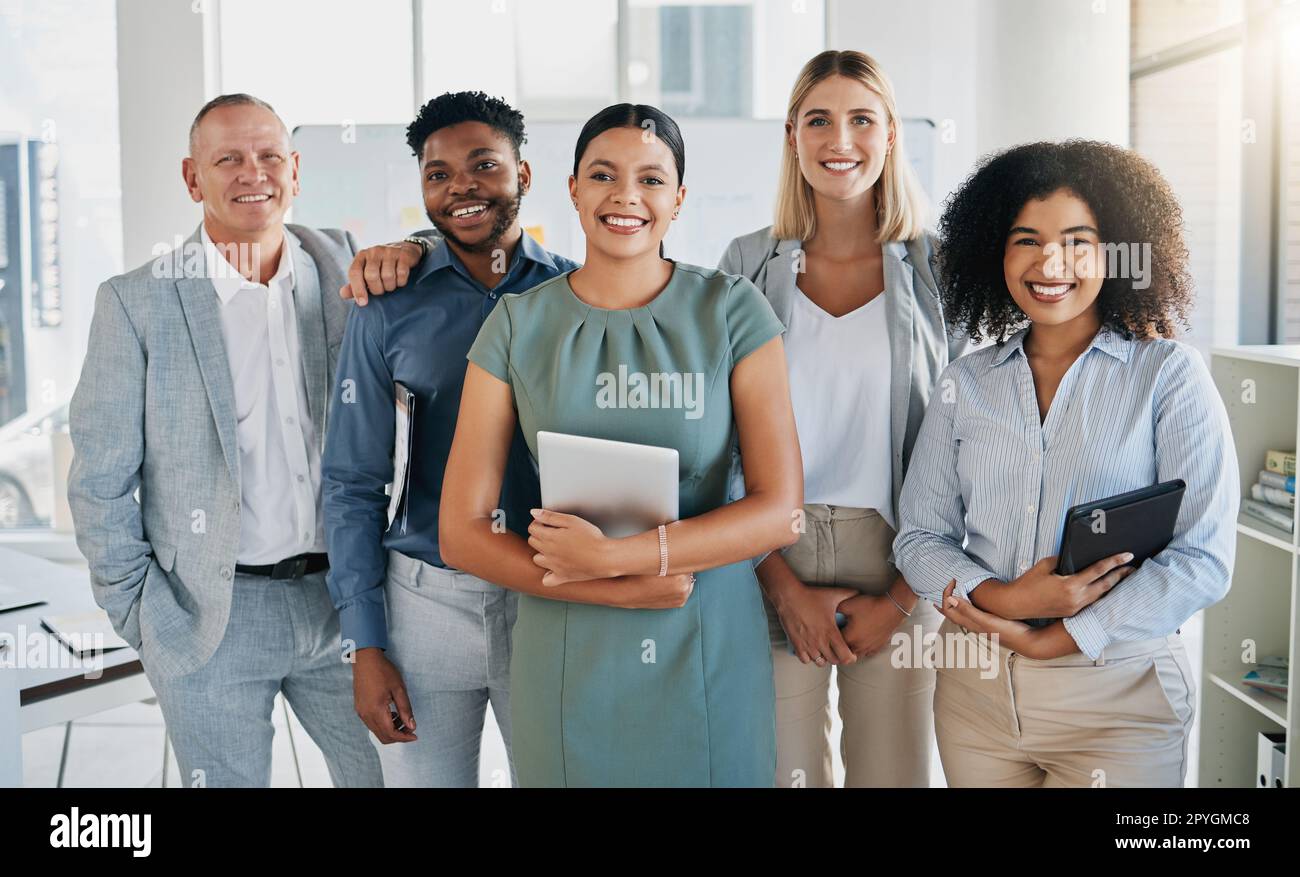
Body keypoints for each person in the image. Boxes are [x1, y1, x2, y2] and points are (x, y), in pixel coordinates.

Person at [438, 103, 803, 787]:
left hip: (706, 636)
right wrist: (615, 589)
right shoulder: (516, 323)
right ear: (572, 189)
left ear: (679, 199)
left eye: (651, 179)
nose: (626, 196)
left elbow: (780, 508)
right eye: (603, 174)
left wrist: (619, 558)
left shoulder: (733, 311)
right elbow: (460, 533)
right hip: (567, 648)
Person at [893, 140, 1239, 788]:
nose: (1051, 262)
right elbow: (919, 536)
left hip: (1119, 701)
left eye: (1079, 240)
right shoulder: (963, 383)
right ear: (995, 251)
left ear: (1118, 251)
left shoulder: (1169, 376)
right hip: (976, 700)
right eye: (1027, 239)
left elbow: (1204, 556)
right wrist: (1005, 597)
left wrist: (1069, 632)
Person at [67, 94, 383, 788]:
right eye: (228, 159)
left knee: (397, 776)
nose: (254, 173)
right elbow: (99, 483)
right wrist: (149, 616)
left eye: (270, 155)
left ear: (295, 170)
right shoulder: (136, 303)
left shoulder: (350, 272)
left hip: (347, 603)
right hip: (211, 617)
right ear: (192, 178)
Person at [321, 91, 578, 787]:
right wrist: (365, 645)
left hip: (548, 601)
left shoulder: (576, 296)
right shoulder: (386, 308)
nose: (462, 186)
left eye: (483, 165)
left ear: (524, 176)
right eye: (438, 174)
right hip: (422, 607)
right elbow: (350, 483)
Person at [719, 49, 961, 788]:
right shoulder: (747, 263)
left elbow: (965, 441)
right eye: (819, 120)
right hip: (772, 557)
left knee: (893, 777)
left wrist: (900, 598)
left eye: (862, 119)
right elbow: (717, 440)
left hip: (901, 558)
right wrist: (783, 588)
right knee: (781, 775)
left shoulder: (937, 269)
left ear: (890, 133)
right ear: (792, 135)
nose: (840, 140)